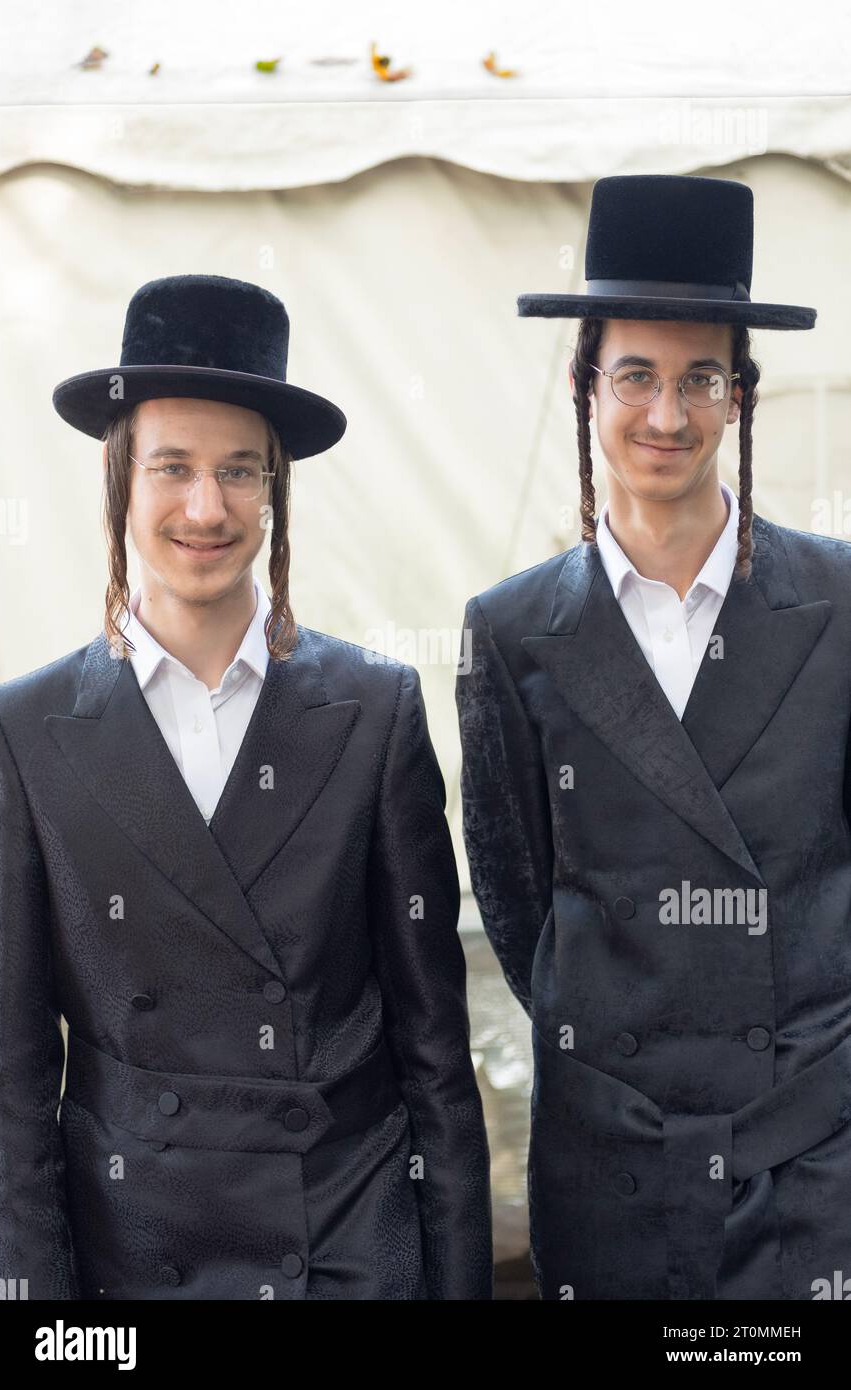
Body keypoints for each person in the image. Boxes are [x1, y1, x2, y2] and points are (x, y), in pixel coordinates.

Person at [0, 273, 492, 1301]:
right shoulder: (23, 730)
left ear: (275, 491)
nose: (206, 508)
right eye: (172, 466)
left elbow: (433, 1052)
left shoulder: (376, 707)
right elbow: (9, 1086)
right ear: (119, 475)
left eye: (240, 471)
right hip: (130, 1257)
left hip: (348, 1244)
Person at [456, 175, 851, 1300]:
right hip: (613, 1166)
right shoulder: (512, 631)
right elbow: (525, 896)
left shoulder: (834, 605)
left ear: (740, 397)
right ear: (586, 386)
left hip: (807, 1165)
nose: (665, 415)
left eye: (698, 379)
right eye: (633, 375)